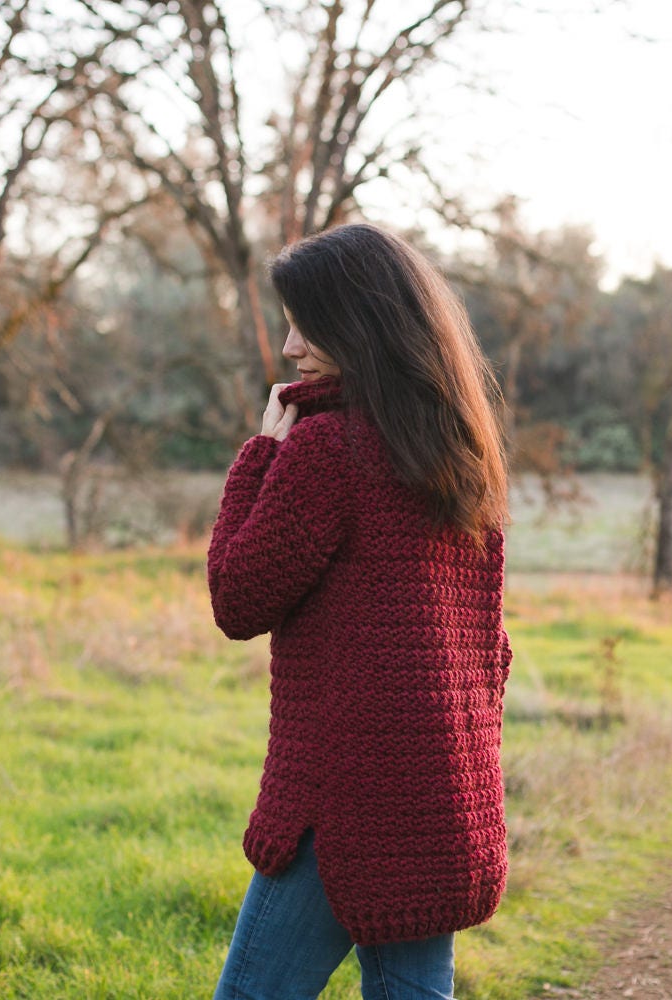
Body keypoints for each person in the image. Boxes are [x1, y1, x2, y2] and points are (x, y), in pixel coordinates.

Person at [206, 223, 513, 999]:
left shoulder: (324, 452)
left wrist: (261, 457)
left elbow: (237, 598)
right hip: (436, 794)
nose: (288, 348)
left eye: (303, 323)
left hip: (341, 802)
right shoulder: (455, 453)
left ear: (355, 322)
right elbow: (490, 650)